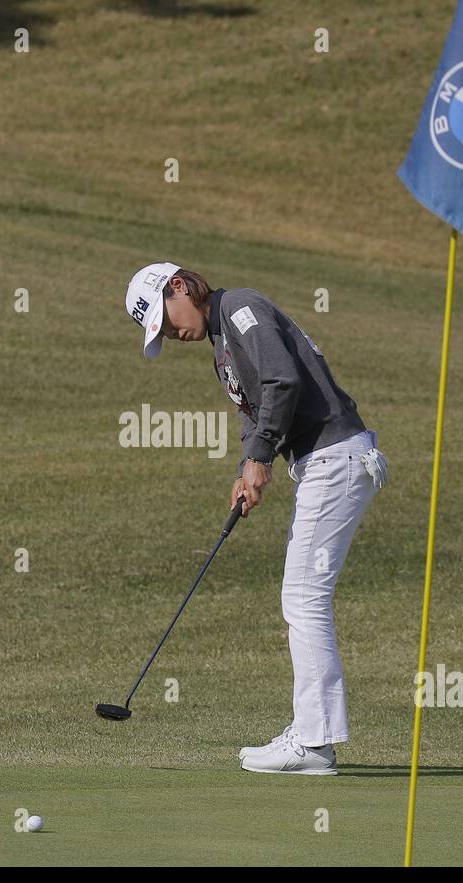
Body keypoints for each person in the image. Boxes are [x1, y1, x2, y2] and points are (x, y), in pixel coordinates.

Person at [124, 262, 387, 775]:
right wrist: (249, 466)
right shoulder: (222, 349)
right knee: (303, 596)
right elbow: (254, 411)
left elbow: (282, 379)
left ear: (180, 286)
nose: (173, 333)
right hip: (322, 462)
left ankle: (313, 743)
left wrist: (262, 457)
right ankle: (313, 736)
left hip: (335, 457)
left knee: (304, 597)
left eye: (166, 317)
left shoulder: (239, 308)